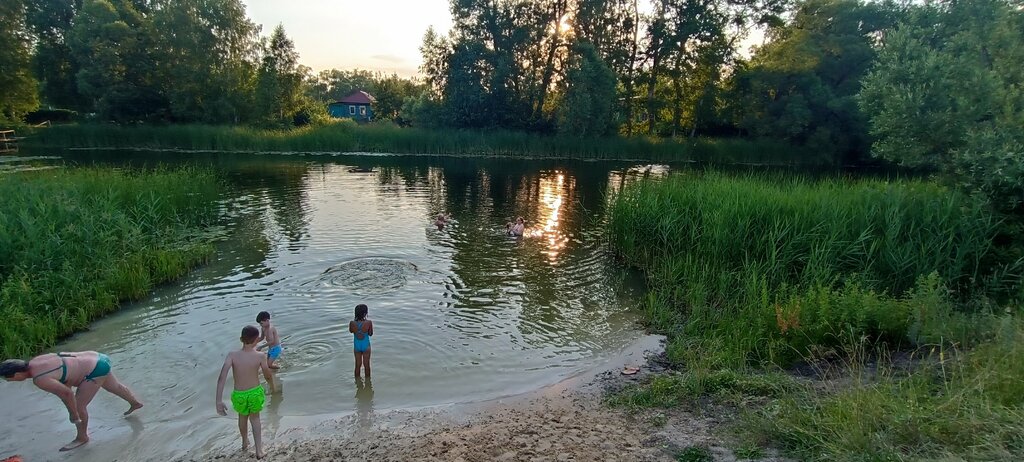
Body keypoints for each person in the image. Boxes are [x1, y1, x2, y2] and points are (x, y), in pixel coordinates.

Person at [0, 351, 143, 451]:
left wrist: (73, 414)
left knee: (79, 407)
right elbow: (64, 377)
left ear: (17, 374)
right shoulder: (36, 361)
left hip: (93, 369)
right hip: (98, 358)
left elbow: (67, 394)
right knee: (113, 386)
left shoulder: (40, 379)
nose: (10, 381)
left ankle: (82, 437)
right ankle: (135, 403)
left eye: (8, 379)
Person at [216, 325, 276, 460]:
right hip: (254, 393)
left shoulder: (232, 355)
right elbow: (267, 375)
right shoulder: (260, 356)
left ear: (241, 339)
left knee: (242, 417)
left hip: (239, 394)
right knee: (255, 419)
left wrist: (218, 401)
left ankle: (244, 441)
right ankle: (259, 450)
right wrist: (272, 387)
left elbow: (221, 378)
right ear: (256, 340)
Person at [348, 304, 373, 378]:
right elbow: (370, 334)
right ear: (365, 313)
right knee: (367, 365)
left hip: (357, 346)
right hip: (366, 346)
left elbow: (351, 331)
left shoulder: (352, 323)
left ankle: (357, 384)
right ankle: (368, 384)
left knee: (357, 365)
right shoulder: (369, 322)